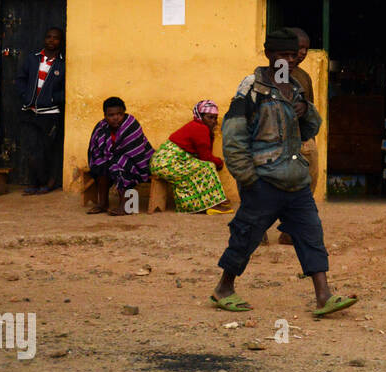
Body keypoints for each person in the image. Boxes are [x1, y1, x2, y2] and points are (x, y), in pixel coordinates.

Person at [211, 28, 356, 316]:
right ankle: (224, 288)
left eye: (293, 56)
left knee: (311, 234)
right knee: (247, 236)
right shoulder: (251, 89)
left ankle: (323, 296)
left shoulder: (296, 87)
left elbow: (310, 131)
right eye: (282, 56)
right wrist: (248, 178)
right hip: (264, 182)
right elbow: (233, 137)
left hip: (296, 180)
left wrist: (307, 110)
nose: (289, 61)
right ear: (269, 55)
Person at [275, 27, 319, 244]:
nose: (302, 53)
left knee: (308, 181)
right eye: (298, 48)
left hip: (303, 138)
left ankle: (290, 231)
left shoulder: (304, 76)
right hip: (280, 141)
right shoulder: (279, 72)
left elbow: (310, 107)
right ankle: (257, 230)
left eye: (305, 49)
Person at [149, 100, 231, 213]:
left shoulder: (198, 126)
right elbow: (205, 157)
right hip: (166, 163)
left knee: (201, 168)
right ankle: (212, 203)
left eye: (215, 118)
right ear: (200, 116)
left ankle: (204, 203)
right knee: (208, 167)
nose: (213, 121)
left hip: (163, 162)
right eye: (209, 117)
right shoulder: (200, 128)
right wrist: (219, 162)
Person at [14, 26, 65, 194]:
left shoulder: (62, 63)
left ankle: (48, 182)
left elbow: (67, 88)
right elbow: (21, 79)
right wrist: (25, 95)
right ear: (44, 39)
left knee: (46, 149)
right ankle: (35, 182)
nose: (52, 40)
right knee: (31, 149)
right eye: (49, 37)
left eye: (56, 38)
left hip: (49, 113)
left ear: (60, 41)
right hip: (29, 111)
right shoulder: (33, 59)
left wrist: (52, 98)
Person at [86, 97, 153, 216]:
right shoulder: (101, 127)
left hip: (137, 161)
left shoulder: (131, 124)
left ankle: (125, 206)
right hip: (113, 158)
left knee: (118, 166)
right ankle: (103, 203)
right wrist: (102, 160)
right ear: (105, 116)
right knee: (101, 165)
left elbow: (135, 151)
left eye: (119, 114)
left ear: (124, 113)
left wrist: (113, 159)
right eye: (111, 115)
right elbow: (95, 148)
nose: (116, 117)